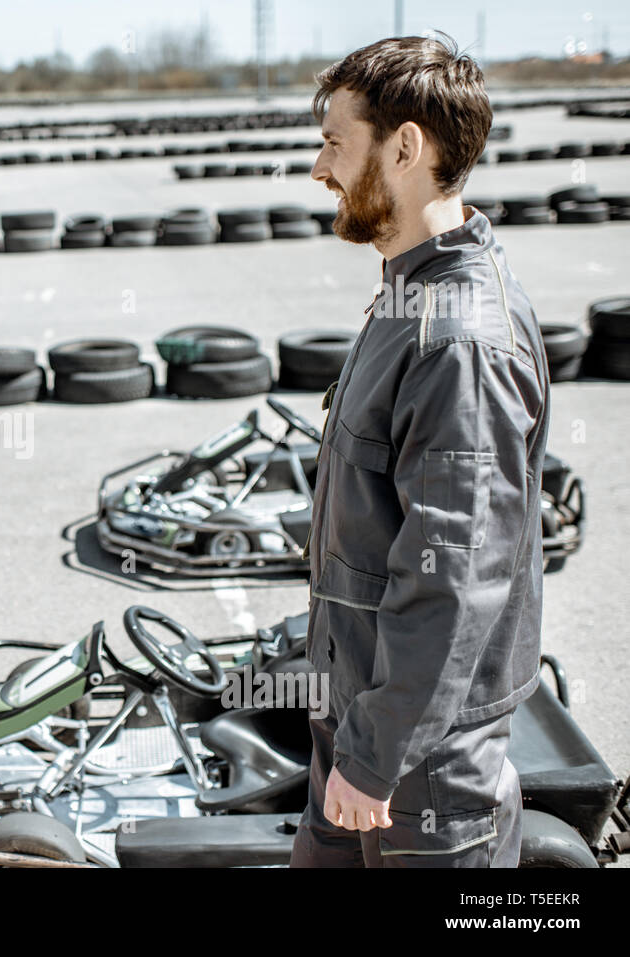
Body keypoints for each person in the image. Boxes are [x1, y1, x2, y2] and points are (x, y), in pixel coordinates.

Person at [289, 34, 549, 867]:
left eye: (335, 141)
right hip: (365, 726)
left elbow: (453, 575)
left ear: (406, 147)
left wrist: (374, 758)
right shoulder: (410, 294)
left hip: (419, 772)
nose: (320, 167)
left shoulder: (459, 339)